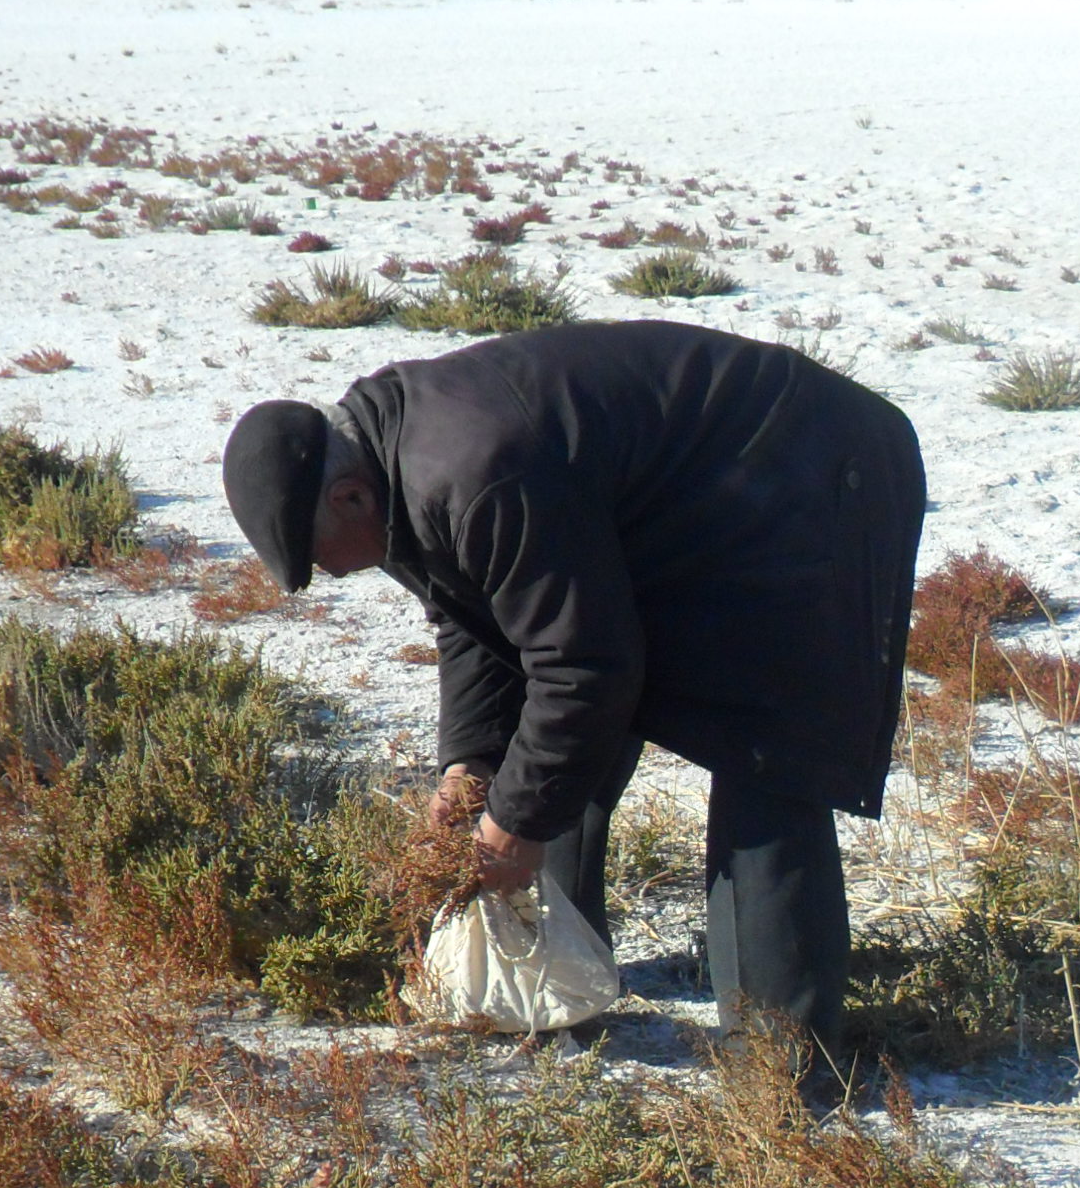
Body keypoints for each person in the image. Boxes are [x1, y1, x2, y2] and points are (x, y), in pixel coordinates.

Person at [219, 319, 926, 1098]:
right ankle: (562, 991)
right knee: (547, 760)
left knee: (764, 756)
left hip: (813, 469)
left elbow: (585, 668)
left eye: (319, 556)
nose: (331, 573)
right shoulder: (386, 462)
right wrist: (471, 766)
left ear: (349, 496)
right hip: (700, 494)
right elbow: (476, 619)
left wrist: (515, 824)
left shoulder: (474, 471)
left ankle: (780, 1075)